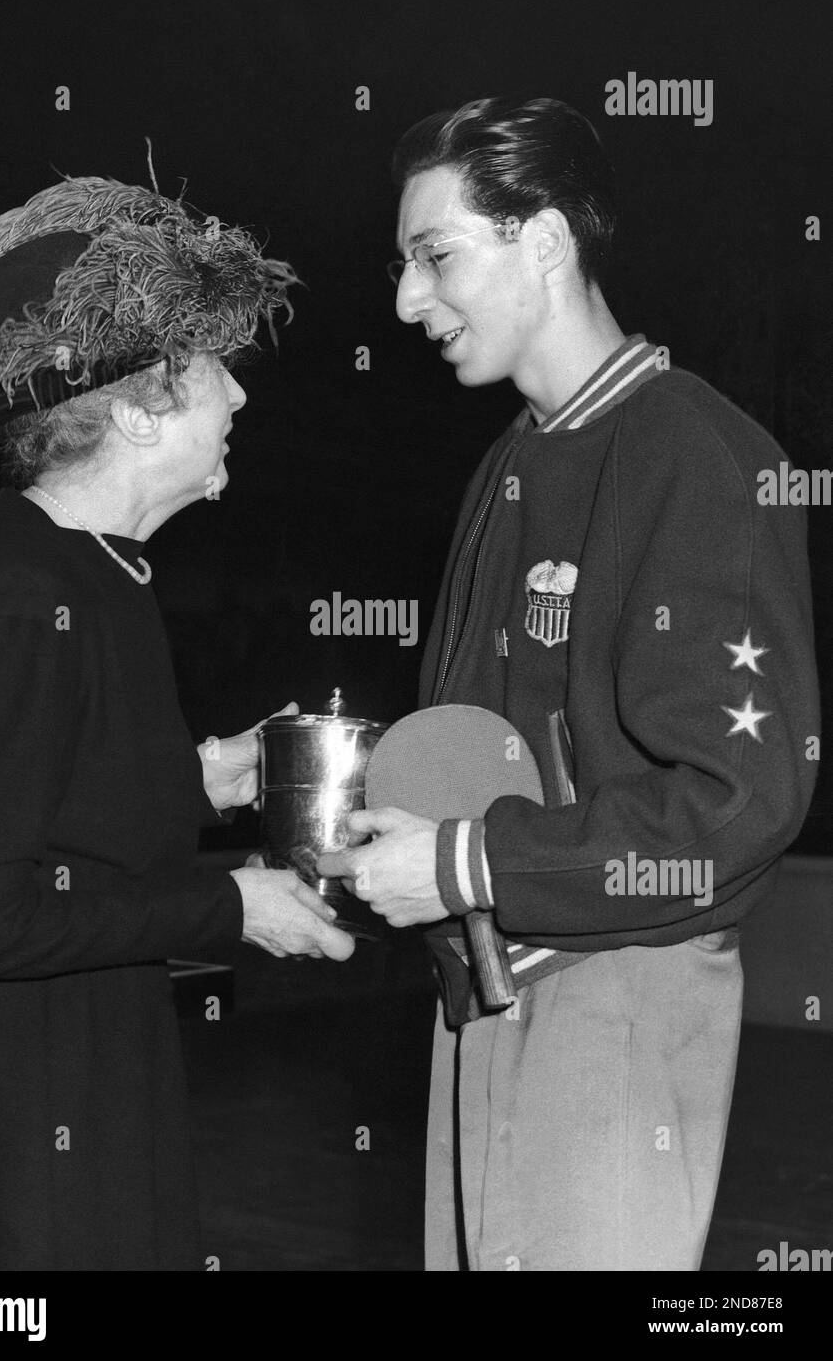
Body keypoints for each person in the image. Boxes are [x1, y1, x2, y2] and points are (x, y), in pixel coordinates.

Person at [320, 96, 820, 1270]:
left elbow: (740, 800)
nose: (403, 300)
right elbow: (485, 747)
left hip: (617, 1005)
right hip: (480, 991)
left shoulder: (701, 458)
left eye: (432, 255)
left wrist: (460, 861)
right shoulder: (507, 462)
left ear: (542, 240)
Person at [0, 174, 353, 1271]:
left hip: (74, 1074)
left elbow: (45, 808)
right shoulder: (23, 601)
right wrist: (226, 907)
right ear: (140, 408)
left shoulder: (81, 568)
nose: (238, 399)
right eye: (214, 374)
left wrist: (204, 781)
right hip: (12, 1133)